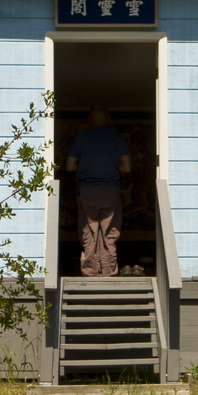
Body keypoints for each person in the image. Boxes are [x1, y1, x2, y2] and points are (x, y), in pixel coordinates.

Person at [66, 107, 131, 277]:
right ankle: (108, 273)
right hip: (110, 190)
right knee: (109, 232)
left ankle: (90, 273)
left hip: (87, 190)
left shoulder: (81, 138)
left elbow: (69, 166)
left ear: (89, 118)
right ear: (108, 118)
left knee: (88, 232)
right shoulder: (118, 138)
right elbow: (127, 166)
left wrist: (87, 166)